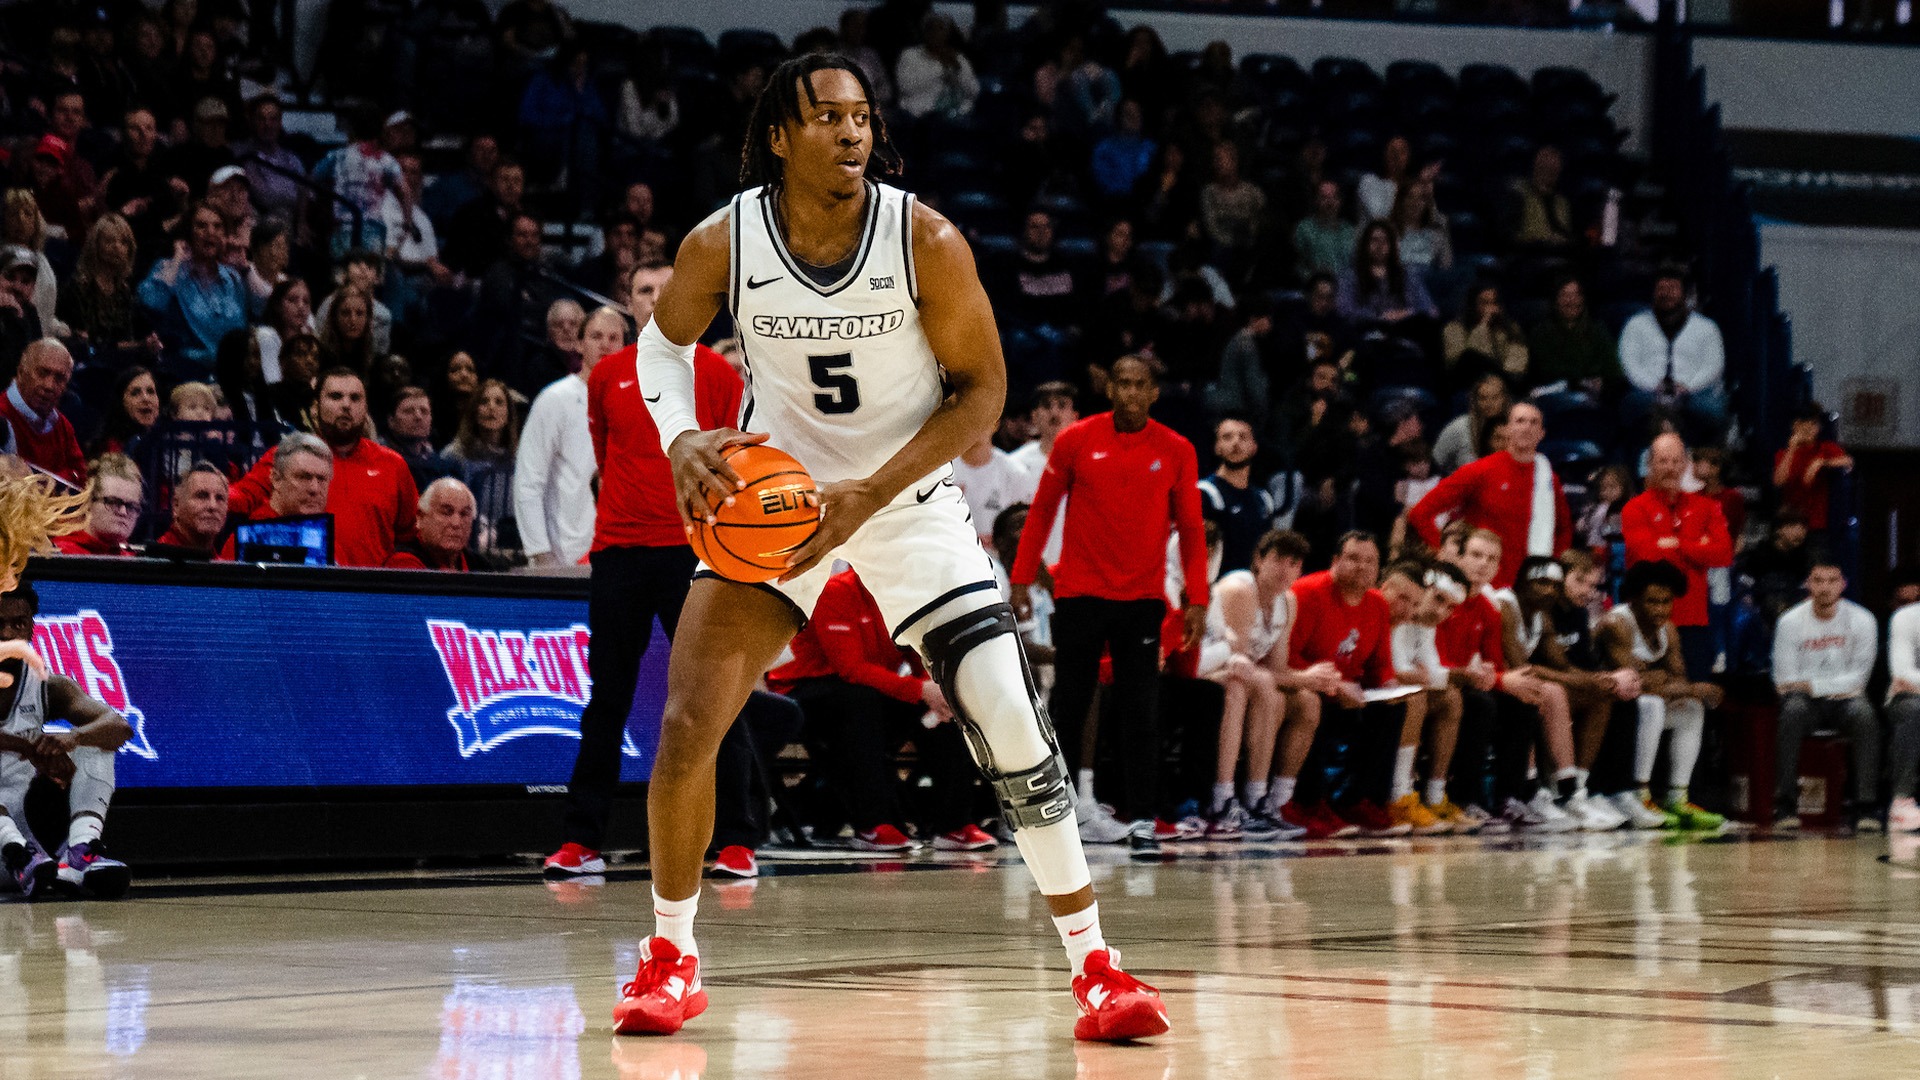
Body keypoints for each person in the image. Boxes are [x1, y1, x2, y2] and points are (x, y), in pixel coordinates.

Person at [625, 55, 1167, 1041]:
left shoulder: (925, 239)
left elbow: (984, 393)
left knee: (1009, 718)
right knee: (688, 722)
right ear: (781, 137)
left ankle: (1097, 966)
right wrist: (683, 436)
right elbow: (658, 348)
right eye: (826, 117)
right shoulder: (727, 240)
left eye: (862, 117)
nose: (850, 132)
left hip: (906, 500)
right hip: (780, 504)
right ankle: (668, 955)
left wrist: (869, 492)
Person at [545, 260, 745, 877]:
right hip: (619, 554)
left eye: (667, 289)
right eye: (643, 291)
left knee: (713, 699)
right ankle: (582, 843)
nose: (657, 300)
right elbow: (608, 457)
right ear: (627, 303)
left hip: (696, 553)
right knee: (607, 699)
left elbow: (731, 458)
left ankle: (736, 841)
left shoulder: (717, 373)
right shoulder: (605, 375)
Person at [1012, 355, 1209, 853]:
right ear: (1111, 391)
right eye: (1121, 384)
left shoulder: (1177, 449)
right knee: (1068, 705)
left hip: (1142, 599)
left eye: (1139, 385)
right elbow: (1041, 512)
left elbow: (1190, 529)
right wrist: (1020, 578)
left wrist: (1197, 598)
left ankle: (1143, 818)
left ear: (1154, 392)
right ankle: (1051, 814)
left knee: (1141, 709)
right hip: (1078, 594)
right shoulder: (1078, 440)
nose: (1129, 393)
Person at [767, 567, 994, 850]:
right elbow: (850, 668)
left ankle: (954, 824)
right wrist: (919, 690)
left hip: (868, 690)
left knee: (947, 708)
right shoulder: (836, 590)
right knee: (859, 702)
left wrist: (931, 690)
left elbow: (919, 655)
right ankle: (873, 824)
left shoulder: (903, 597)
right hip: (807, 688)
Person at [0, 581, 134, 899]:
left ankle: (80, 852)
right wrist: (27, 746)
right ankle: (17, 852)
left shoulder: (48, 686)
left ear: (32, 626)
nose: (7, 635)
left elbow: (118, 726)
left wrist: (71, 739)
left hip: (32, 853)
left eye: (18, 624)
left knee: (95, 742)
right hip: (7, 850)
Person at [1271, 532, 1398, 838]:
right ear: (1335, 561)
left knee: (1392, 709)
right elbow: (1287, 657)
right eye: (1353, 559)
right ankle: (1310, 802)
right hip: (1306, 685)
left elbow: (1380, 665)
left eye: (1370, 561)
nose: (1361, 567)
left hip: (1349, 690)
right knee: (1312, 704)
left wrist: (1390, 685)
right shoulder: (1307, 593)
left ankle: (1359, 800)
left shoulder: (1378, 603)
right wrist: (1334, 684)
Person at [227, 370, 418, 566]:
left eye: (355, 398)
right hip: (307, 584)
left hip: (372, 591)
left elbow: (412, 535)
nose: (346, 405)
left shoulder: (393, 465)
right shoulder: (289, 456)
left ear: (365, 408)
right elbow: (243, 496)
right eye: (335, 397)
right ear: (315, 407)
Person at [1195, 529, 1316, 838]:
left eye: (1293, 563)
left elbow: (1277, 667)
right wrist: (1305, 677)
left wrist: (1308, 680)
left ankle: (1268, 800)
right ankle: (1224, 799)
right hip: (1204, 667)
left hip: (1242, 675)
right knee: (1257, 685)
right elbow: (1236, 659)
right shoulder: (1240, 590)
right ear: (1258, 561)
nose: (1284, 569)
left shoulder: (1288, 602)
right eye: (1277, 559)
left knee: (1304, 700)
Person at [1596, 559, 1726, 830]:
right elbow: (1633, 684)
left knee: (1691, 708)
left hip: (1639, 707)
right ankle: (1640, 795)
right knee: (1653, 703)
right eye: (1652, 602)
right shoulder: (1617, 624)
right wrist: (1675, 685)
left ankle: (1678, 797)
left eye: (1666, 602)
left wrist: (1669, 684)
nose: (1660, 609)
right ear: (1633, 600)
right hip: (1610, 710)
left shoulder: (1668, 630)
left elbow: (1677, 677)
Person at [1408, 401, 1571, 588]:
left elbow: (1564, 529)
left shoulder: (1549, 478)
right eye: (1520, 421)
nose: (1527, 427)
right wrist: (1447, 555)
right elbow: (1420, 512)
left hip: (1530, 588)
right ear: (1508, 429)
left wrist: (1550, 567)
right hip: (1483, 585)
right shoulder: (1482, 470)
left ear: (1542, 433)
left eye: (1534, 422)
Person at [1771, 561, 1880, 833]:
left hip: (1847, 701)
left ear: (1843, 584)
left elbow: (1859, 680)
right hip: (1806, 704)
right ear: (1808, 584)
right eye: (1818, 581)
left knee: (1864, 714)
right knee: (1792, 711)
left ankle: (1866, 805)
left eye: (1832, 581)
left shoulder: (1863, 620)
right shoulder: (1790, 622)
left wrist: (1808, 684)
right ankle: (1785, 803)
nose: (1825, 588)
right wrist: (1820, 687)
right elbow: (1783, 681)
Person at [515, 305, 622, 569]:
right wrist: (540, 552)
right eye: (596, 337)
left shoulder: (636, 400)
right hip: (566, 554)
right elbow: (529, 481)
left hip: (622, 552)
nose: (605, 345)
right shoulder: (555, 399)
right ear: (579, 343)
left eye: (613, 338)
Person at [1622, 433, 1734, 679]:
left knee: (1695, 696)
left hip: (1694, 619)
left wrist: (1677, 544)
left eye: (1675, 461)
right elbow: (1646, 555)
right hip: (1649, 621)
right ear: (1650, 465)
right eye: (1663, 461)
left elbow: (1724, 553)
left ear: (1686, 465)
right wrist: (1699, 547)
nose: (1670, 468)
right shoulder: (1634, 508)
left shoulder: (1706, 506)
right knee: (1653, 697)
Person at [136, 202, 248, 378]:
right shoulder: (169, 268)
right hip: (185, 371)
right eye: (201, 226)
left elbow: (243, 328)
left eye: (217, 226)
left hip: (230, 374)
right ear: (189, 232)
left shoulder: (233, 277)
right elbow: (152, 303)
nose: (210, 232)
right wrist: (178, 259)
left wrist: (245, 266)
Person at [1618, 267, 1727, 441]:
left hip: (1693, 391)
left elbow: (1713, 366)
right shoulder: (1635, 325)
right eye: (1662, 288)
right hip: (1648, 391)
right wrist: (1654, 385)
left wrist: (1687, 386)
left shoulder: (1707, 328)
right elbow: (1629, 363)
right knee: (1630, 405)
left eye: (1673, 289)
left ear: (1684, 294)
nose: (1666, 294)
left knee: (1711, 410)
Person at [440, 377, 519, 562]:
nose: (492, 407)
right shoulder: (453, 456)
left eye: (499, 402)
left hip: (509, 550)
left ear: (508, 415)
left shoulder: (520, 459)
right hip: (467, 551)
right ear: (474, 411)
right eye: (484, 402)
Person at [2, 341, 88, 489]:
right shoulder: (2, 417)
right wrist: (60, 479)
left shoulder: (62, 425)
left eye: (60, 378)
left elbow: (80, 476)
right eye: (42, 373)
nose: (49, 385)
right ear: (21, 372)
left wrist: (39, 482)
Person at [1199, 414, 1275, 574]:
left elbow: (1263, 552)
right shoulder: (1204, 492)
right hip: (1212, 587)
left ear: (1254, 446)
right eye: (1227, 437)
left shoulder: (1263, 499)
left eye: (1243, 437)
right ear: (1217, 447)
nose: (1235, 443)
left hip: (1248, 589)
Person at [1772, 403, 1853, 539]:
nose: (1810, 428)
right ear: (1795, 425)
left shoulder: (1825, 448)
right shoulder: (1783, 453)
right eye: (1805, 423)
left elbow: (1848, 461)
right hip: (1791, 523)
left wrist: (1822, 462)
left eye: (1814, 424)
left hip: (1817, 524)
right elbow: (1778, 481)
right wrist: (1792, 448)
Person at [1529, 277, 1616, 395]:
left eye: (1577, 295)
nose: (1571, 301)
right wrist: (1578, 381)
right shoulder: (1541, 333)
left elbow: (1612, 367)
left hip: (1596, 393)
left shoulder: (1597, 329)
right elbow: (1548, 371)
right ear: (1555, 301)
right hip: (1556, 392)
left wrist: (1602, 381)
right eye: (1565, 295)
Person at [1336, 223, 1435, 326]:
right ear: (1365, 244)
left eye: (1385, 241)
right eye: (1374, 240)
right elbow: (1344, 310)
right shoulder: (1350, 276)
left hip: (1405, 330)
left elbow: (1427, 307)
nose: (1380, 245)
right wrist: (1380, 317)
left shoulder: (1406, 274)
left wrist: (1408, 313)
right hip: (1367, 332)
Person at [951, 432, 1035, 548]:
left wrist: (1001, 540)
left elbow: (1027, 526)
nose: (976, 428)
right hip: (956, 555)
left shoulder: (1015, 473)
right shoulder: (944, 473)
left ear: (995, 424)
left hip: (999, 561)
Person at [385, 478, 488, 571]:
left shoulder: (481, 566)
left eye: (464, 514)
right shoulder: (403, 564)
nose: (456, 523)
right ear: (420, 518)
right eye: (446, 513)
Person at [52, 456, 143, 557]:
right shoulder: (60, 554)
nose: (123, 512)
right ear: (88, 502)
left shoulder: (133, 559)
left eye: (131, 506)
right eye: (112, 502)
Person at [894, 14, 979, 120]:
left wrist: (957, 70)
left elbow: (974, 91)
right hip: (919, 115)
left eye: (941, 29)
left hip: (955, 115)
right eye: (931, 29)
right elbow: (905, 87)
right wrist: (941, 70)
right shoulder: (910, 55)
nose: (936, 34)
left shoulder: (957, 58)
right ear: (924, 32)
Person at [1443, 283, 1529, 384]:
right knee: (1471, 357)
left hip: (1502, 381)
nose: (1491, 309)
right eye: (1485, 303)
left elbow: (1516, 366)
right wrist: (1483, 326)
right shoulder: (1454, 328)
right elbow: (1458, 360)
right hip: (1467, 381)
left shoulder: (1511, 328)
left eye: (1494, 303)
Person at [1887, 590, 1920, 833]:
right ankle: (1902, 800)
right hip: (1908, 699)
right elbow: (1902, 673)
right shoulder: (1905, 618)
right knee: (1913, 709)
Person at [155, 461, 229, 554]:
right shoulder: (153, 562)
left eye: (220, 498)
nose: (212, 506)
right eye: (202, 496)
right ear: (176, 505)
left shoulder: (222, 565)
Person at [385, 387, 450, 491]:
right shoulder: (379, 460)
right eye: (408, 411)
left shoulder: (441, 465)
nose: (418, 416)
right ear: (391, 421)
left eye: (424, 411)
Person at [1293, 180, 1356, 280]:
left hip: (1346, 288)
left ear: (1339, 201)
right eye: (1324, 198)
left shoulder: (1350, 231)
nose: (1329, 203)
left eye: (1333, 197)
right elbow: (1298, 265)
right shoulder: (1304, 229)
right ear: (1316, 201)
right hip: (1315, 287)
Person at [1510, 145, 1572, 247]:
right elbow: (1509, 236)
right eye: (1543, 169)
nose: (1546, 175)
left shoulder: (1561, 203)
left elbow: (1564, 234)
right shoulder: (1516, 194)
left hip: (1556, 256)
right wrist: (1541, 240)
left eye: (1552, 171)